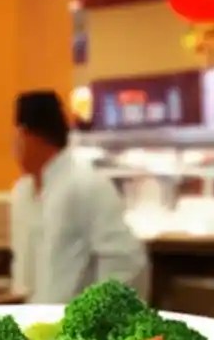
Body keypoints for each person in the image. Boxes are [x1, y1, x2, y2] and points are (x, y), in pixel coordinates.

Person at [8, 90, 148, 304]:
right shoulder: (22, 192)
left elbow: (125, 262)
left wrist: (98, 321)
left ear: (29, 137)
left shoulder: (87, 184)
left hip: (73, 327)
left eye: (16, 135)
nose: (13, 147)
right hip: (29, 324)